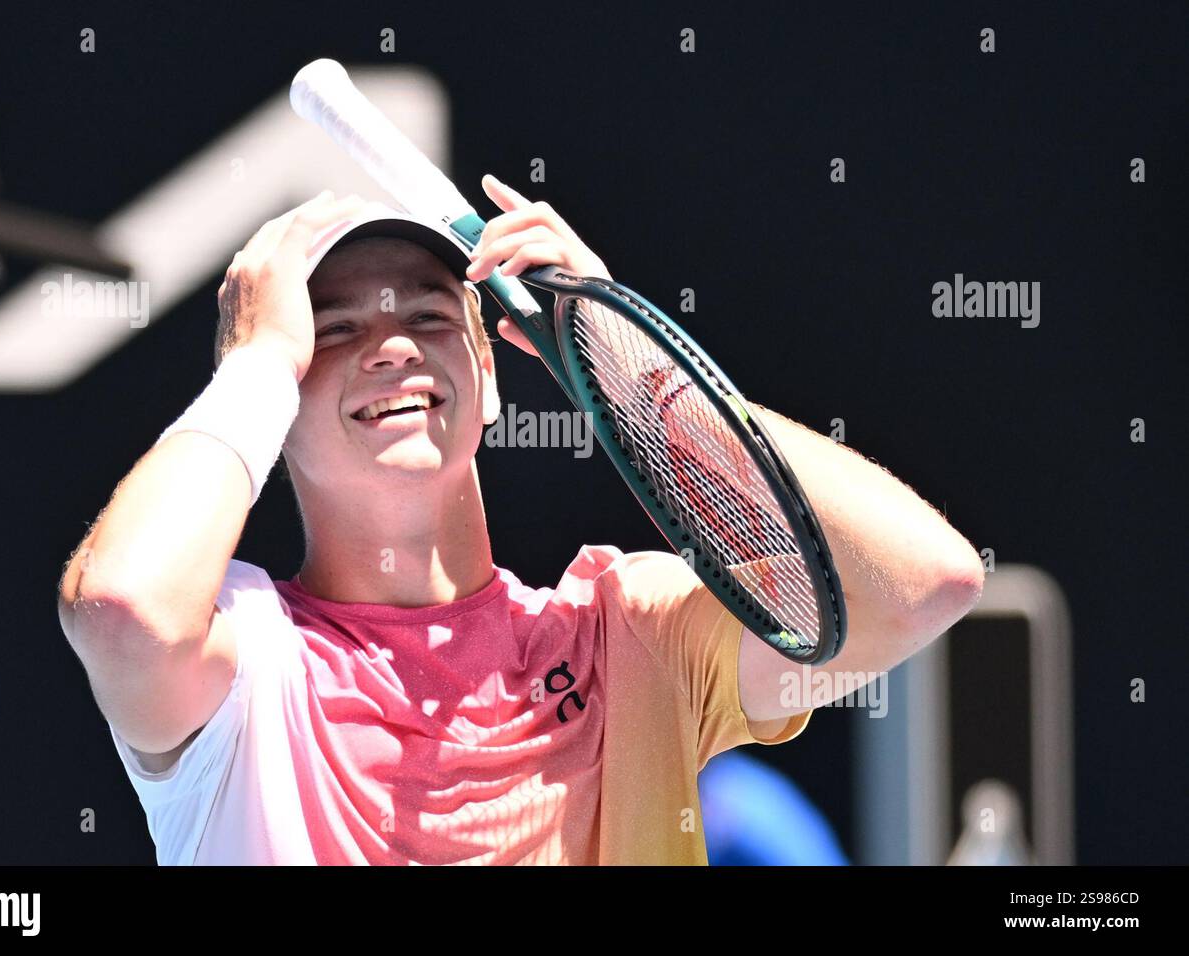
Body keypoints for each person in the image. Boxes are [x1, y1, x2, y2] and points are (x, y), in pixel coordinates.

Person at [56, 174, 985, 864]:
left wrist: (628, 356)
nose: (390, 346)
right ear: (275, 401)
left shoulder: (630, 631)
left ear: (491, 377)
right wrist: (256, 364)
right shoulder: (244, 659)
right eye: (331, 330)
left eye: (427, 314)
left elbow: (922, 585)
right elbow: (123, 612)